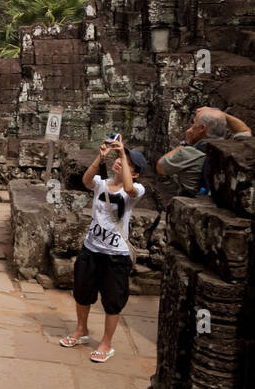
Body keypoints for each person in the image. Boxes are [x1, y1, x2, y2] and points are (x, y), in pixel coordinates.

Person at [61, 136, 149, 364]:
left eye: (126, 162)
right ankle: (81, 330)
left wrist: (121, 153)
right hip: (91, 248)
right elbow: (86, 180)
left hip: (116, 255)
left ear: (135, 172)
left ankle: (106, 343)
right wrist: (100, 157)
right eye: (120, 159)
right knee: (82, 292)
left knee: (112, 300)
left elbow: (128, 187)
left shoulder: (137, 189)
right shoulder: (102, 184)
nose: (120, 162)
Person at [156, 106, 251, 194]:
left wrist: (185, 143)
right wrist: (221, 115)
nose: (191, 127)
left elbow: (161, 167)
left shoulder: (188, 154)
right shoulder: (234, 146)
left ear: (202, 128)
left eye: (194, 123)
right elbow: (244, 130)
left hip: (195, 201)